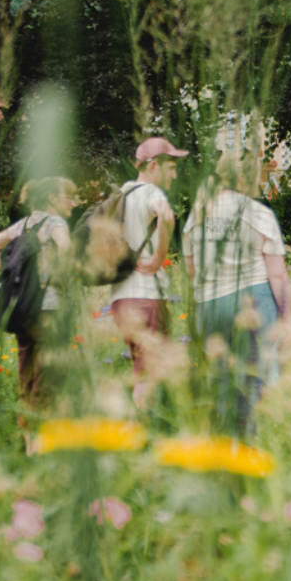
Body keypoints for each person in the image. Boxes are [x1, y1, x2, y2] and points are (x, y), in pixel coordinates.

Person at [183, 151, 289, 433]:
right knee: (255, 375)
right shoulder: (259, 213)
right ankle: (253, 442)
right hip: (252, 299)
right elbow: (277, 274)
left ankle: (225, 442)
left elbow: (190, 268)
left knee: (220, 377)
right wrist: (287, 317)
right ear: (242, 177)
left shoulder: (198, 212)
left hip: (209, 303)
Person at [0, 177, 77, 428]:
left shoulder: (23, 226)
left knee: (27, 372)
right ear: (53, 199)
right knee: (49, 374)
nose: (74, 203)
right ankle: (39, 435)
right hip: (49, 309)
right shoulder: (55, 222)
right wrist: (58, 275)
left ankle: (26, 438)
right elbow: (66, 249)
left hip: (24, 308)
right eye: (69, 197)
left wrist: (10, 273)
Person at [109, 137, 185, 406]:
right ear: (153, 166)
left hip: (120, 298)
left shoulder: (121, 194)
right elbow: (166, 216)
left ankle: (140, 432)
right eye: (171, 167)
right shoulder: (152, 193)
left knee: (141, 369)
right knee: (149, 375)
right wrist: (158, 257)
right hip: (146, 296)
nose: (175, 175)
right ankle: (137, 436)